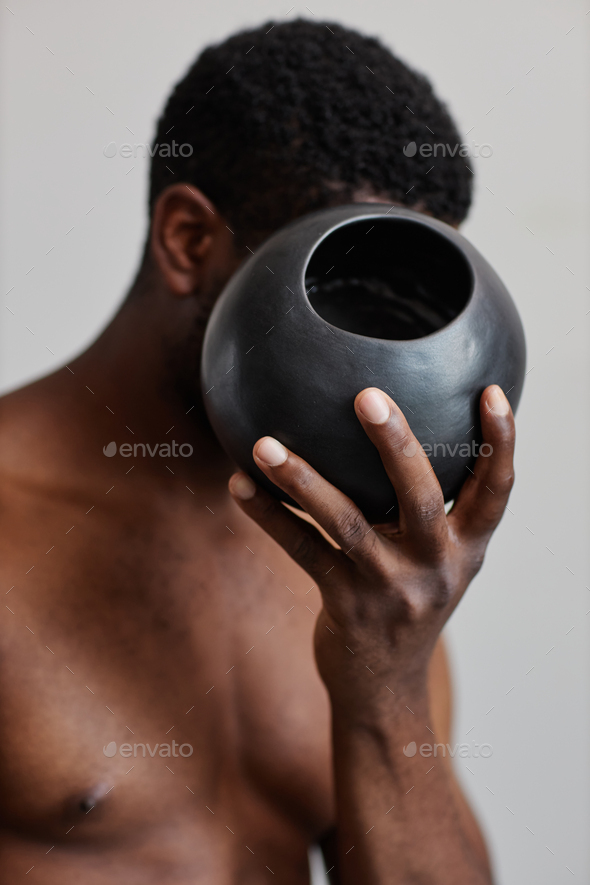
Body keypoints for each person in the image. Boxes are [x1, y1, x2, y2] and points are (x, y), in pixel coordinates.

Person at [0, 19, 515, 884]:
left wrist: (386, 679)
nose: (388, 363)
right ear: (191, 242)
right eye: (342, 286)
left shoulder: (358, 554)